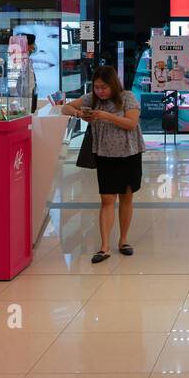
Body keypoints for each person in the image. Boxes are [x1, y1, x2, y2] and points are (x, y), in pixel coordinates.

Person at [61, 66, 144, 263]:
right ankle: (104, 246)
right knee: (107, 199)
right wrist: (80, 114)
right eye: (97, 87)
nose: (100, 91)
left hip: (128, 153)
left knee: (126, 197)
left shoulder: (127, 97)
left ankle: (123, 241)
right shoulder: (92, 99)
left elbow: (131, 123)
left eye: (104, 87)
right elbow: (65, 107)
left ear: (113, 85)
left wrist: (106, 116)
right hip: (104, 155)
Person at [22, 33, 38, 112]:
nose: (34, 46)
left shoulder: (27, 57)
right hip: (26, 93)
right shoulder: (22, 58)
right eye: (33, 43)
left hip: (31, 91)